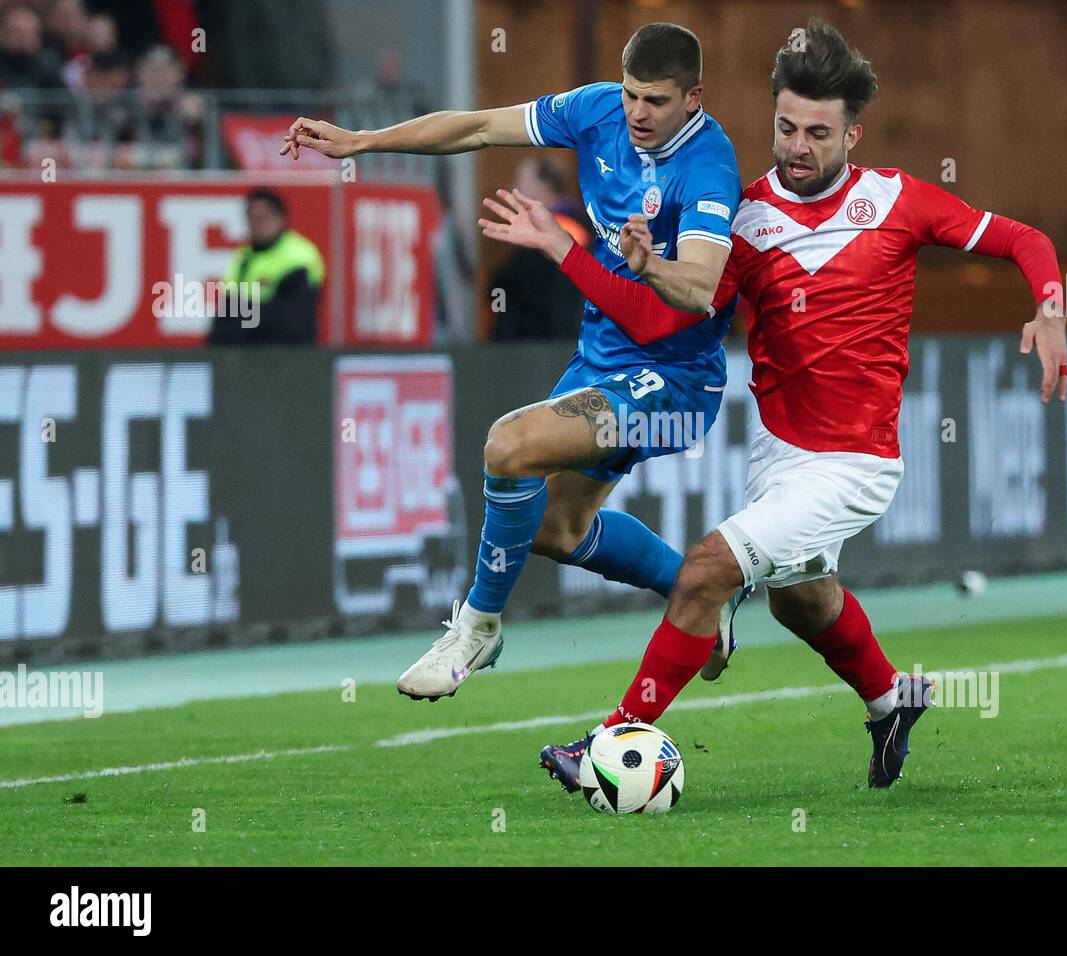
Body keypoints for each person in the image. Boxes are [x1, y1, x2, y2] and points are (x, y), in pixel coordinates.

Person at [479, 21, 1067, 792]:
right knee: (800, 600)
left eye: (818, 132)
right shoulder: (742, 223)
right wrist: (632, 266)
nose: (798, 145)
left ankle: (612, 744)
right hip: (779, 455)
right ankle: (892, 699)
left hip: (855, 461)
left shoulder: (899, 202)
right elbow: (663, 322)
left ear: (852, 133)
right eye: (786, 126)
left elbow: (1023, 239)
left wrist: (1050, 306)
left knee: (706, 573)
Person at [282, 23, 743, 702]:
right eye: (631, 95)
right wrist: (364, 141)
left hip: (673, 381)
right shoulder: (596, 111)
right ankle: (698, 593)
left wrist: (631, 261)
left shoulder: (708, 165)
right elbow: (475, 127)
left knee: (508, 445)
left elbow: (701, 288)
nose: (638, 113)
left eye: (656, 100)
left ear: (693, 96)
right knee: (557, 529)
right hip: (603, 356)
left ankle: (478, 626)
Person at [489, 158, 590, 341]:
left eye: (522, 182)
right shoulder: (535, 230)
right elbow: (501, 291)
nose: (514, 187)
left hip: (551, 344)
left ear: (544, 187)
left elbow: (524, 285)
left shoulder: (567, 227)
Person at [208, 188, 324, 346]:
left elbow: (291, 321)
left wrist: (245, 316)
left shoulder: (299, 257)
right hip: (246, 358)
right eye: (253, 218)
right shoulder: (243, 259)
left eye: (264, 218)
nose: (258, 224)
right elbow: (225, 317)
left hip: (289, 357)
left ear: (281, 218)